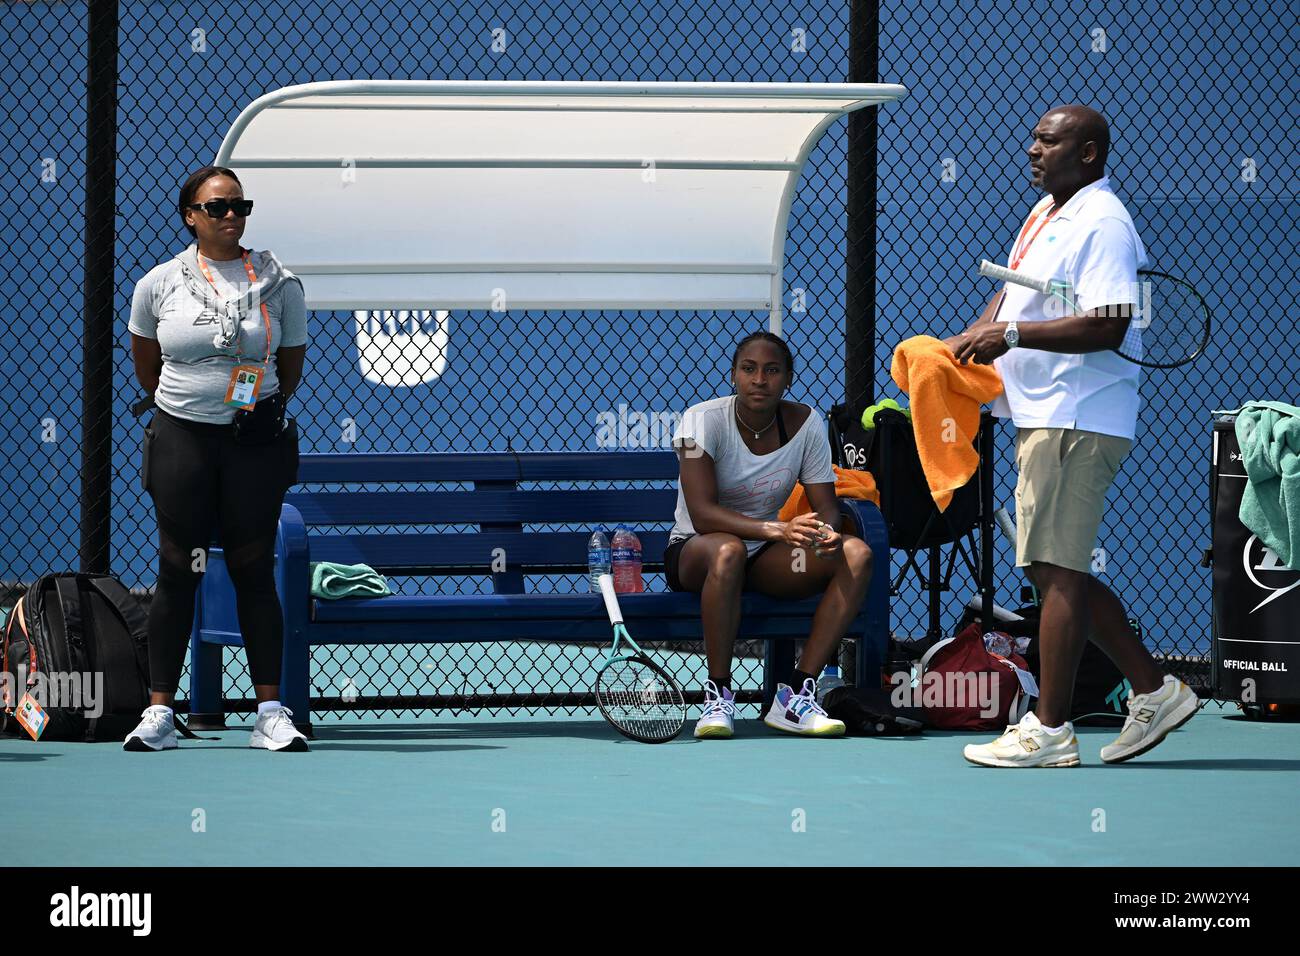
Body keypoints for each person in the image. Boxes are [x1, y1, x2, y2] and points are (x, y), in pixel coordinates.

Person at [948, 106, 1198, 767]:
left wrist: (1008, 337)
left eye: (1048, 141)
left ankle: (1050, 729)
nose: (1032, 149)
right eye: (1032, 137)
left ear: (1087, 153)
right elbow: (1010, 302)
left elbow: (1108, 324)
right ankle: (1154, 688)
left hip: (1079, 416)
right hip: (1041, 414)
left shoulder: (1104, 222)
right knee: (1050, 567)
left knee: (1057, 572)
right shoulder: (1045, 214)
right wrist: (962, 349)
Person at [125, 165, 310, 752]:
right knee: (180, 567)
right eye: (217, 208)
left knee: (254, 566)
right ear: (190, 216)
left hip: (252, 444)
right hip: (182, 437)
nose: (231, 217)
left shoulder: (280, 284)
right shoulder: (159, 283)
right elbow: (147, 365)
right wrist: (190, 407)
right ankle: (158, 714)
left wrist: (253, 409)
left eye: (240, 206)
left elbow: (290, 364)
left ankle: (270, 713)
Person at [667, 331, 875, 739]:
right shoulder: (700, 421)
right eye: (749, 369)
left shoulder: (808, 423)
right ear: (733, 376)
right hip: (695, 552)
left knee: (857, 554)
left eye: (771, 370)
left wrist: (827, 533)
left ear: (788, 379)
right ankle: (717, 695)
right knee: (727, 550)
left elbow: (827, 505)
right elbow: (703, 514)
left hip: (762, 555)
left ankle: (795, 694)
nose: (759, 379)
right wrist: (777, 528)